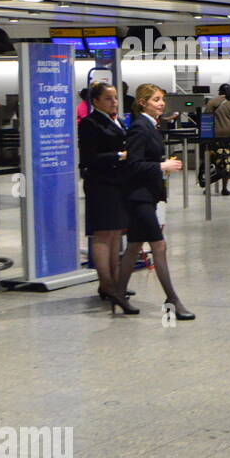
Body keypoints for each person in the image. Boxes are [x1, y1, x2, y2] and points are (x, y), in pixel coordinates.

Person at [113, 84, 192, 319]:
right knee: (159, 245)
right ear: (143, 102)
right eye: (156, 99)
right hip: (139, 198)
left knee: (135, 246)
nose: (161, 103)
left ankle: (117, 293)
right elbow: (133, 165)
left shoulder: (151, 126)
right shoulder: (140, 127)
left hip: (146, 194)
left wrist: (161, 164)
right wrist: (161, 166)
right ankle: (173, 299)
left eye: (162, 99)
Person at [77, 82, 130, 303]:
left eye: (115, 98)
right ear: (96, 101)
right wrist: (119, 155)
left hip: (118, 182)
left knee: (116, 232)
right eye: (108, 98)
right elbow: (89, 159)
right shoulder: (90, 123)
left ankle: (116, 281)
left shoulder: (116, 120)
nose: (114, 102)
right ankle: (106, 283)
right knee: (103, 234)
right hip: (101, 183)